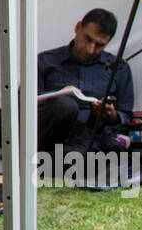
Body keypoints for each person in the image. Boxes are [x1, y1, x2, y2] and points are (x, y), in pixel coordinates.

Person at [36, 8, 134, 155]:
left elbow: (127, 116)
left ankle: (40, 162)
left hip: (88, 137)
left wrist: (111, 115)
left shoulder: (118, 68)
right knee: (65, 105)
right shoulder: (45, 61)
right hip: (48, 134)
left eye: (99, 45)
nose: (90, 49)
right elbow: (23, 106)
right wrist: (56, 97)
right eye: (88, 39)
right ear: (78, 27)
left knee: (82, 154)